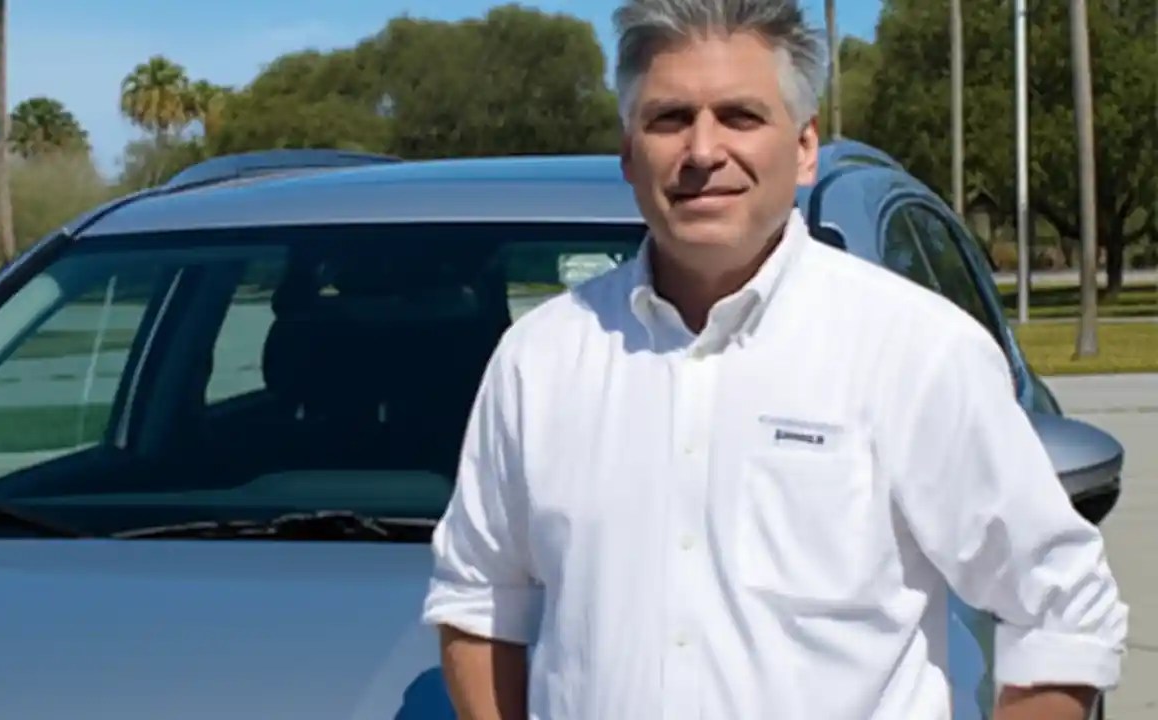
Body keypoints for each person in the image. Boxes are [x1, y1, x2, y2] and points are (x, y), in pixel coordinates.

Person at [421, 0, 1130, 718]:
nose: (702, 152)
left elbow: (1063, 612)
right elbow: (479, 599)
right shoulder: (540, 362)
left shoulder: (914, 351)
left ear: (803, 147)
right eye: (669, 118)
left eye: (740, 116)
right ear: (629, 153)